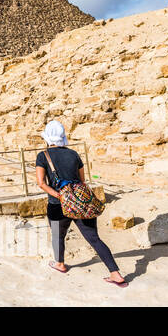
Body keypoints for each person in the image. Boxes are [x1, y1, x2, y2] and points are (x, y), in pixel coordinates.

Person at [34, 120, 128, 288]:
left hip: (57, 204)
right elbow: (82, 180)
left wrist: (59, 195)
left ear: (48, 137)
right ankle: (115, 273)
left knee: (58, 235)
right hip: (80, 202)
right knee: (94, 238)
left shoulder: (43, 155)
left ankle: (60, 264)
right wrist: (72, 195)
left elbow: (41, 183)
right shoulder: (73, 154)